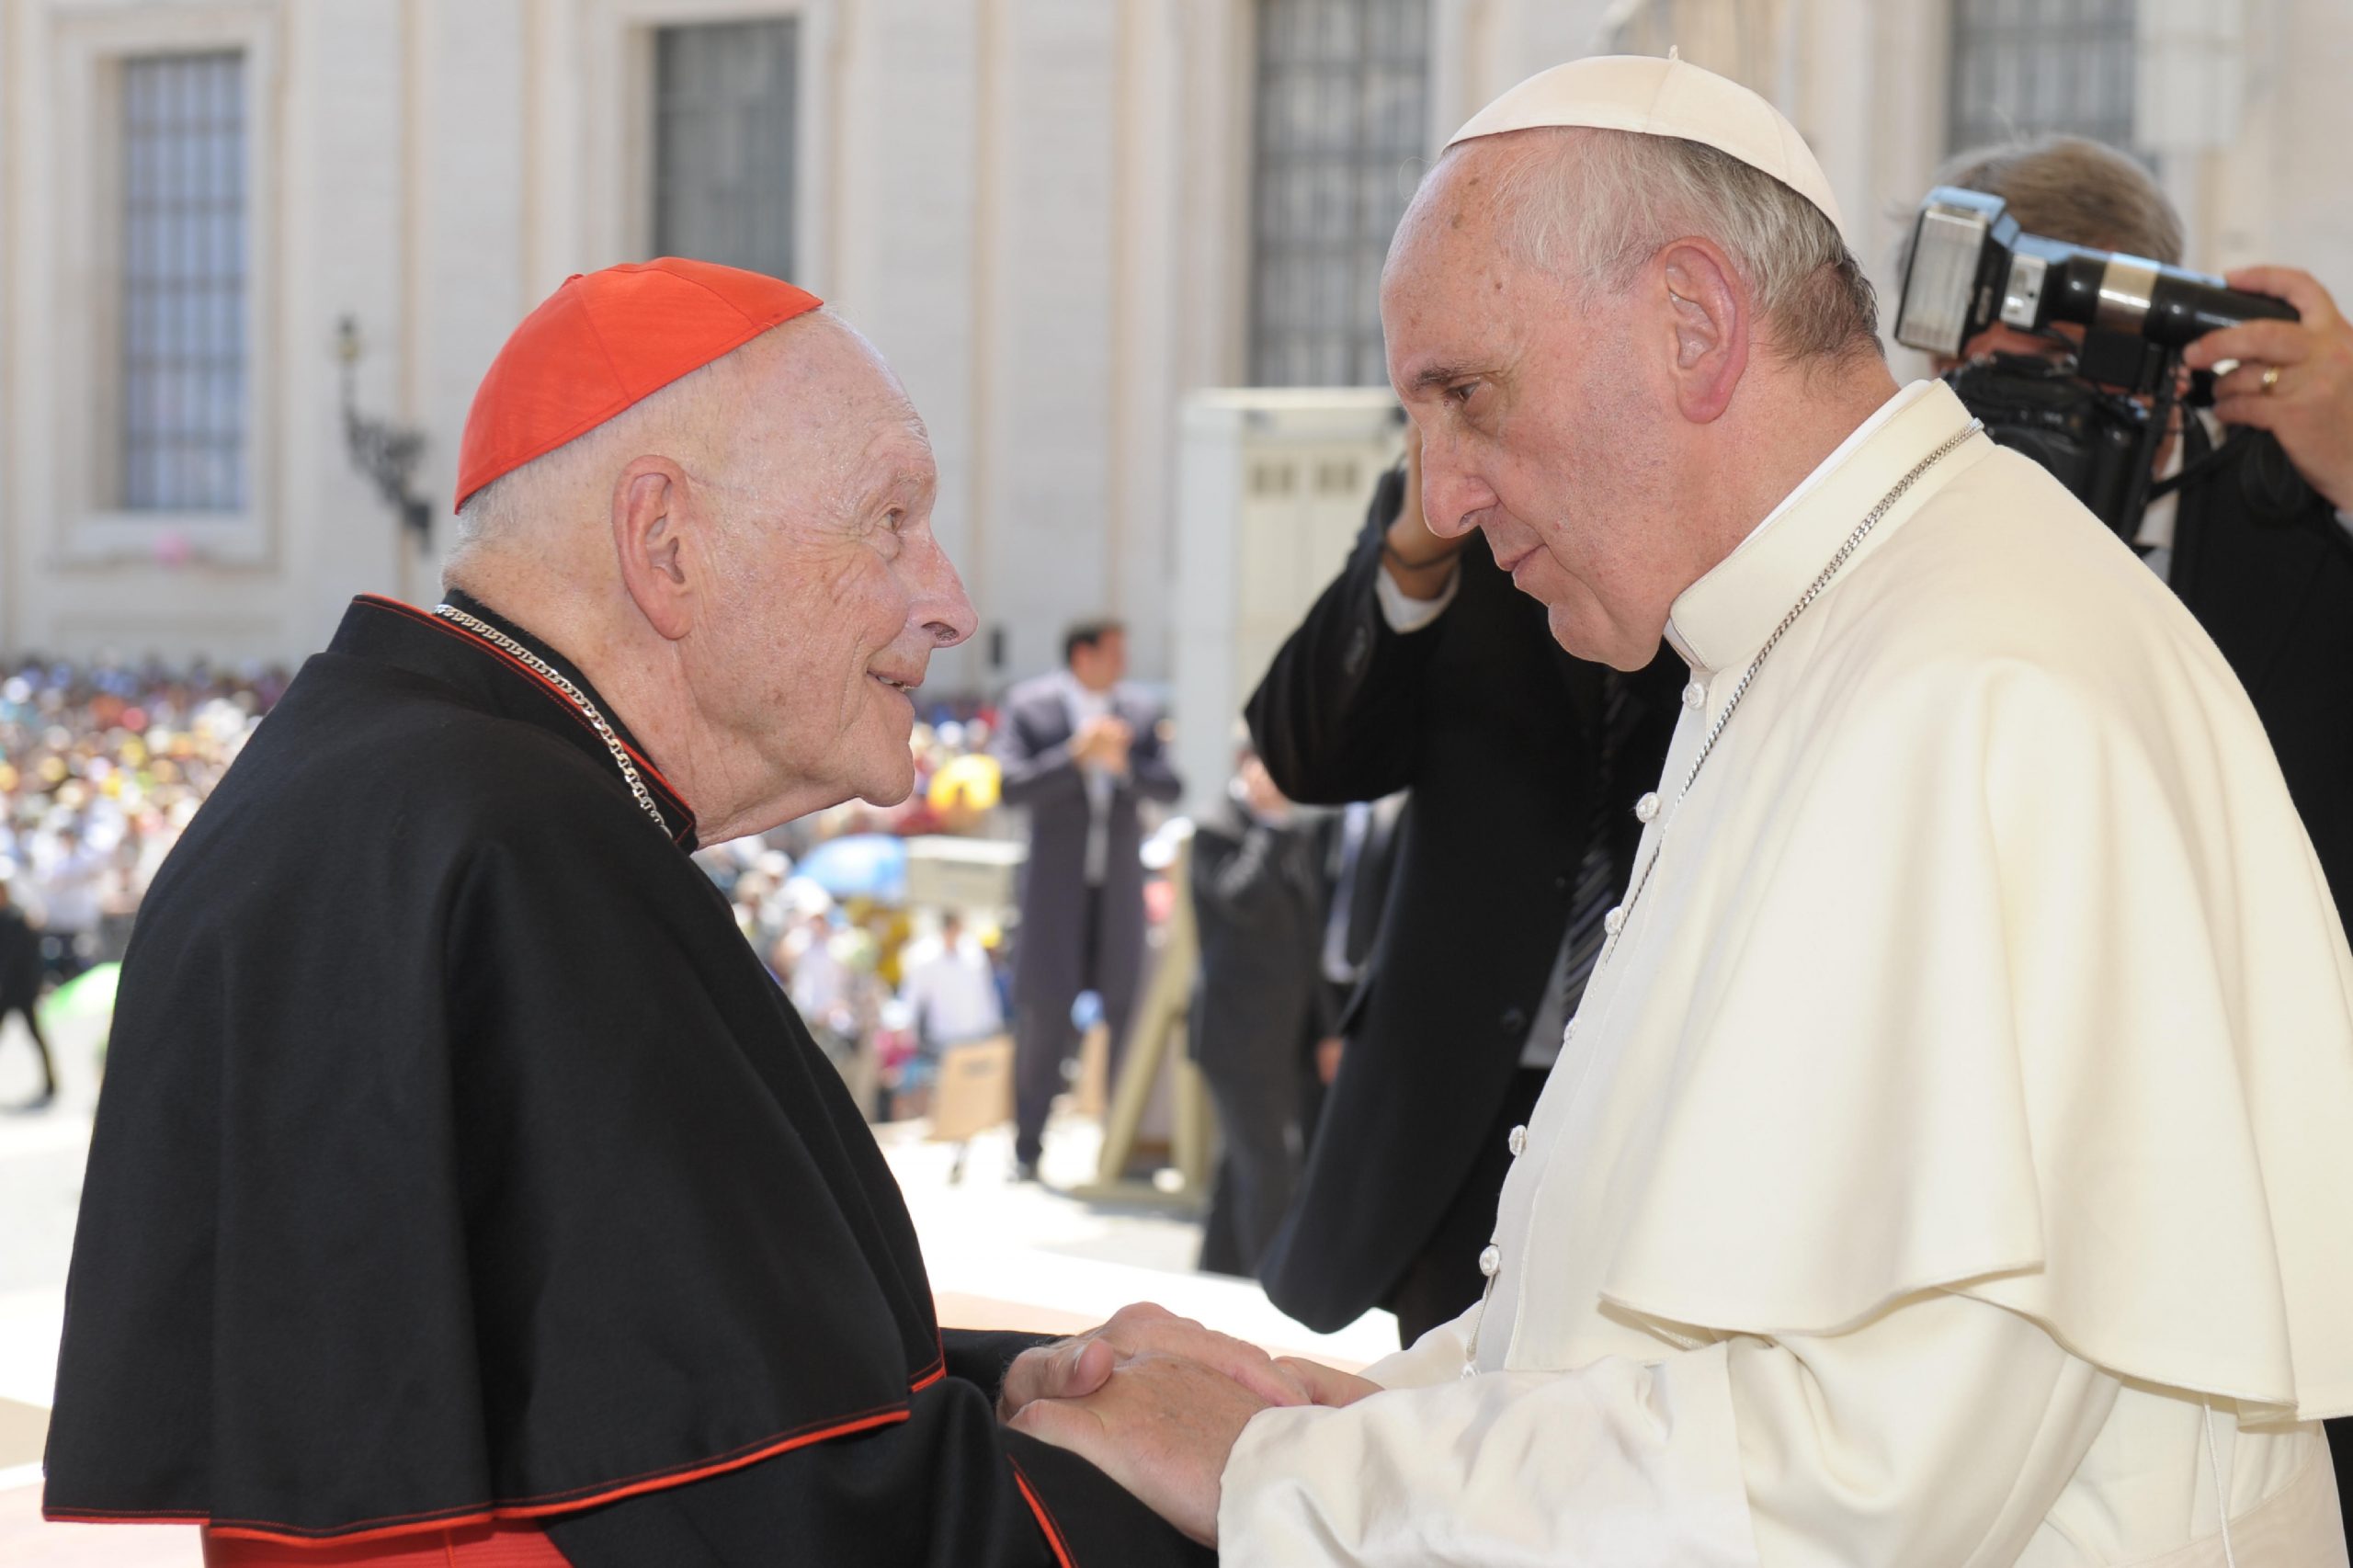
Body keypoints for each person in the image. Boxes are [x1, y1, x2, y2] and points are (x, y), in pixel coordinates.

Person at [997, 57, 2353, 1564]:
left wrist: (1285, 1477)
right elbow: (1663, 1302)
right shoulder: (1816, 628)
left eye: (1468, 395)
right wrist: (1364, 1420)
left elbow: (1864, 1481)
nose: (1440, 490)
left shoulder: (1976, 685)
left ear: (1695, 327)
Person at [42, 259, 1248, 1566]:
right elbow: (766, 1517)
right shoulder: (526, 852)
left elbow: (640, 1390)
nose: (947, 596)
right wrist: (1234, 1486)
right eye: (890, 518)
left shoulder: (383, 785)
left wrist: (1015, 1382)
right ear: (664, 542)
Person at [1247, 424, 1678, 1344]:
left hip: (1655, 1088)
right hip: (1457, 1099)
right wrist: (1411, 553)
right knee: (1437, 1419)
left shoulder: (1724, 513)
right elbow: (1306, 754)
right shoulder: (1449, 520)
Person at [1922, 135, 2353, 949]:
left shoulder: (2306, 521)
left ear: (2165, 348)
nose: (2001, 420)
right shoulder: (1889, 534)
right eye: (1964, 376)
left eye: (2050, 370)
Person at [994, 621, 1181, 1179]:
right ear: (1083, 653)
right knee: (1046, 1015)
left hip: (1118, 885)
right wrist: (1075, 756)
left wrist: (1123, 768)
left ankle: (1122, 1143)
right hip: (1055, 889)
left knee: (1126, 1010)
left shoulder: (1139, 711)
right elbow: (1010, 786)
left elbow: (1169, 787)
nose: (1124, 662)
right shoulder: (1032, 707)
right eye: (1114, 651)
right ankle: (1028, 1145)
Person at [1187, 746, 1328, 1278]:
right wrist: (1269, 826)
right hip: (1234, 1035)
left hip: (1282, 1033)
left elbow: (1307, 940)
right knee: (1269, 1164)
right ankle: (1269, 1280)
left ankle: (1217, 1272)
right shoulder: (1215, 827)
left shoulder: (1294, 832)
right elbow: (1242, 897)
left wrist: (1325, 1028)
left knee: (1242, 1164)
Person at [0, 881, 54, 1108]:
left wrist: (37, 985)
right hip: (4, 992)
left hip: (22, 990)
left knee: (36, 1037)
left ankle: (51, 1084)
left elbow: (31, 958)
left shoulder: (20, 919)